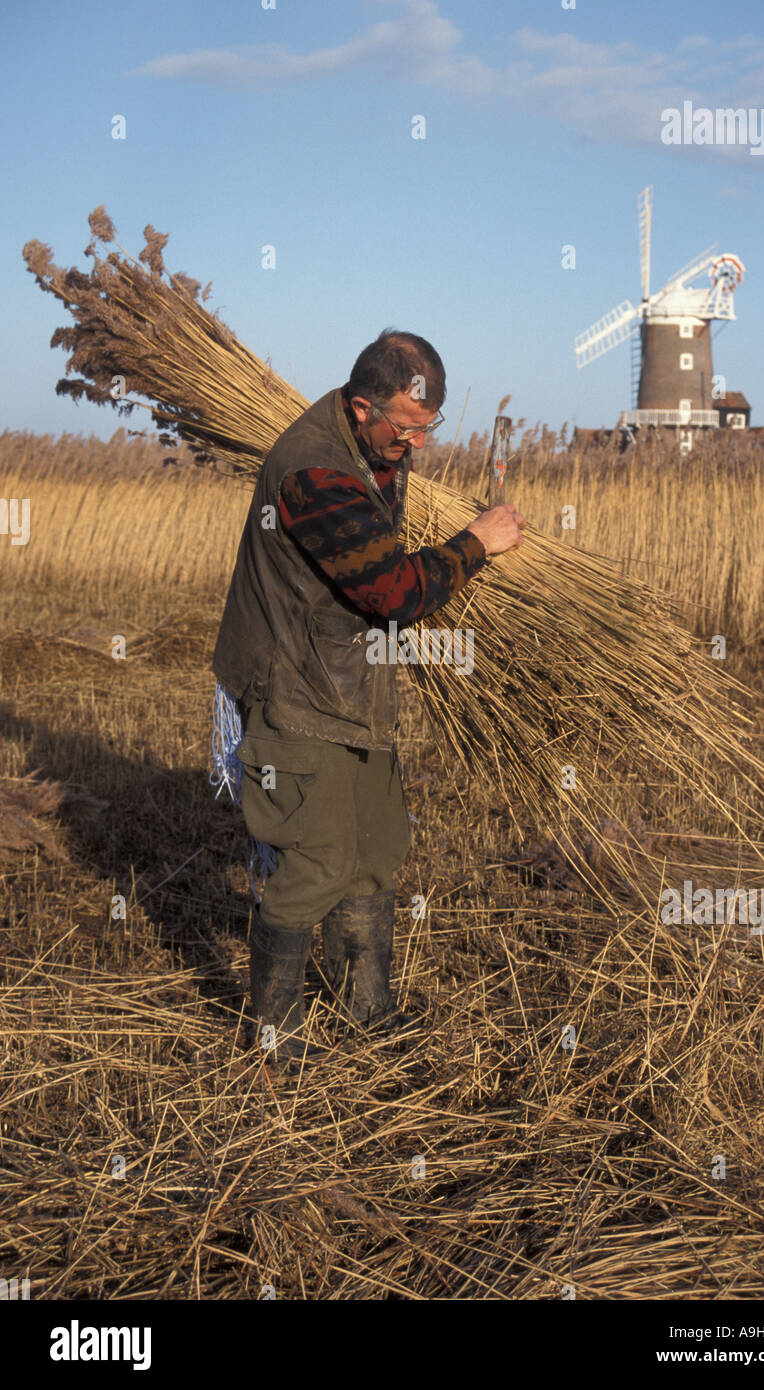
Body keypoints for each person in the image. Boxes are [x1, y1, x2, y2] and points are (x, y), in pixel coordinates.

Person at [212, 329, 525, 1064]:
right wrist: (475, 543)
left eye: (428, 428)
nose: (415, 444)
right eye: (407, 428)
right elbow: (393, 589)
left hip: (352, 687)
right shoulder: (312, 473)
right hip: (296, 689)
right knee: (316, 859)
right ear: (360, 408)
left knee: (376, 849)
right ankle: (275, 1041)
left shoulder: (373, 450)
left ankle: (366, 1007)